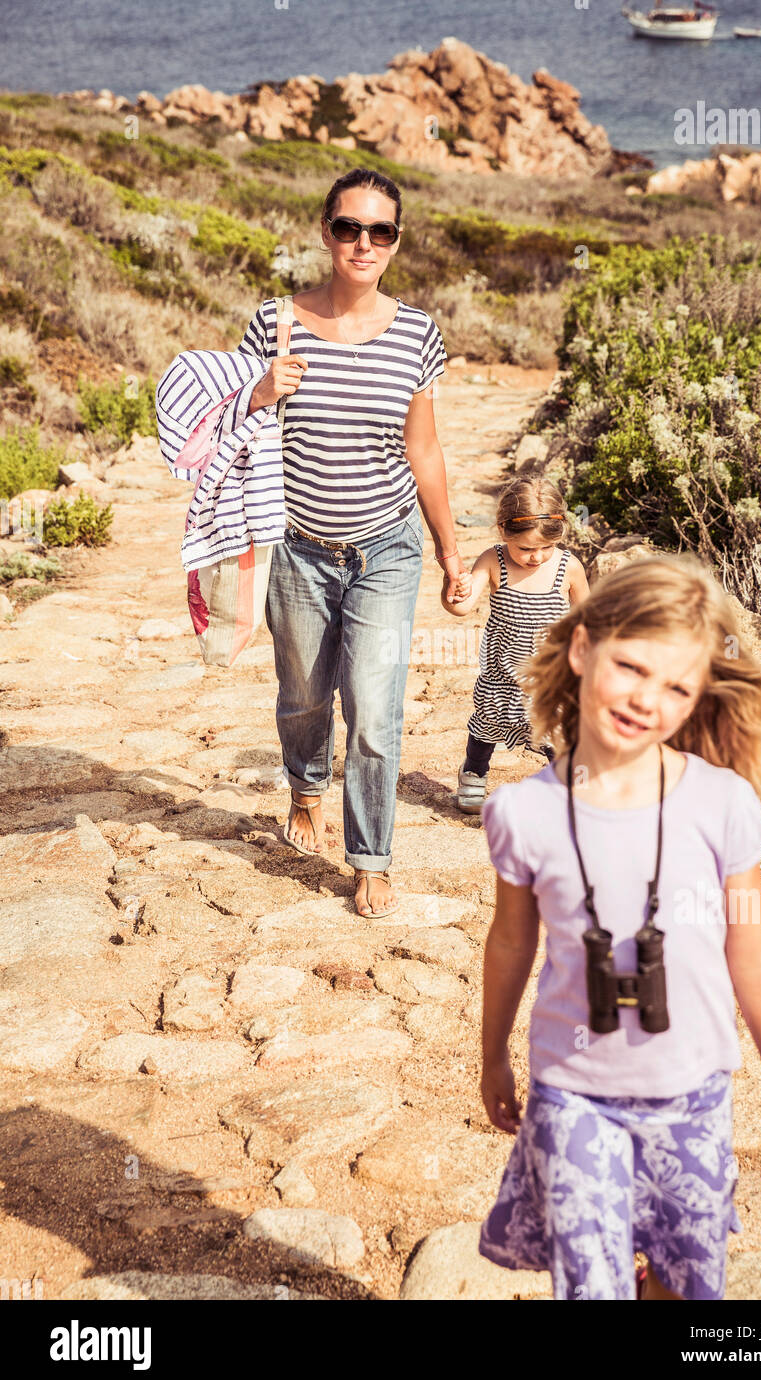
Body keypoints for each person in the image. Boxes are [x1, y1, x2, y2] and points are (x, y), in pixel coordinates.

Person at [476, 553, 761, 1300]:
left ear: (697, 699)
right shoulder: (521, 815)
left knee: (686, 1284)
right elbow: (511, 942)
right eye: (630, 667)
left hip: (693, 1096)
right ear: (583, 646)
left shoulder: (724, 806)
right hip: (573, 1095)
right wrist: (493, 1053)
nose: (645, 699)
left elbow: (753, 950)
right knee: (590, 1287)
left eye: (675, 686)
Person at [236, 167, 471, 918]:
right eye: (348, 228)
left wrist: (450, 549)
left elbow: (424, 451)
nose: (363, 243)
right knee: (304, 693)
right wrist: (259, 392)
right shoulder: (272, 322)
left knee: (374, 706)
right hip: (298, 550)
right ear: (325, 232)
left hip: (387, 550)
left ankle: (371, 858)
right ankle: (307, 790)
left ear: (397, 241)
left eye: (380, 231)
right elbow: (230, 432)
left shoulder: (418, 333)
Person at [440, 476, 588, 812]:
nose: (536, 557)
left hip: (549, 678)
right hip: (501, 676)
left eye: (545, 548)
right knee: (486, 728)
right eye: (525, 548)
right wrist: (452, 590)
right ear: (503, 531)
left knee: (555, 734)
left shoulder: (569, 568)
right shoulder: (494, 561)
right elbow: (462, 606)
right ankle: (474, 774)